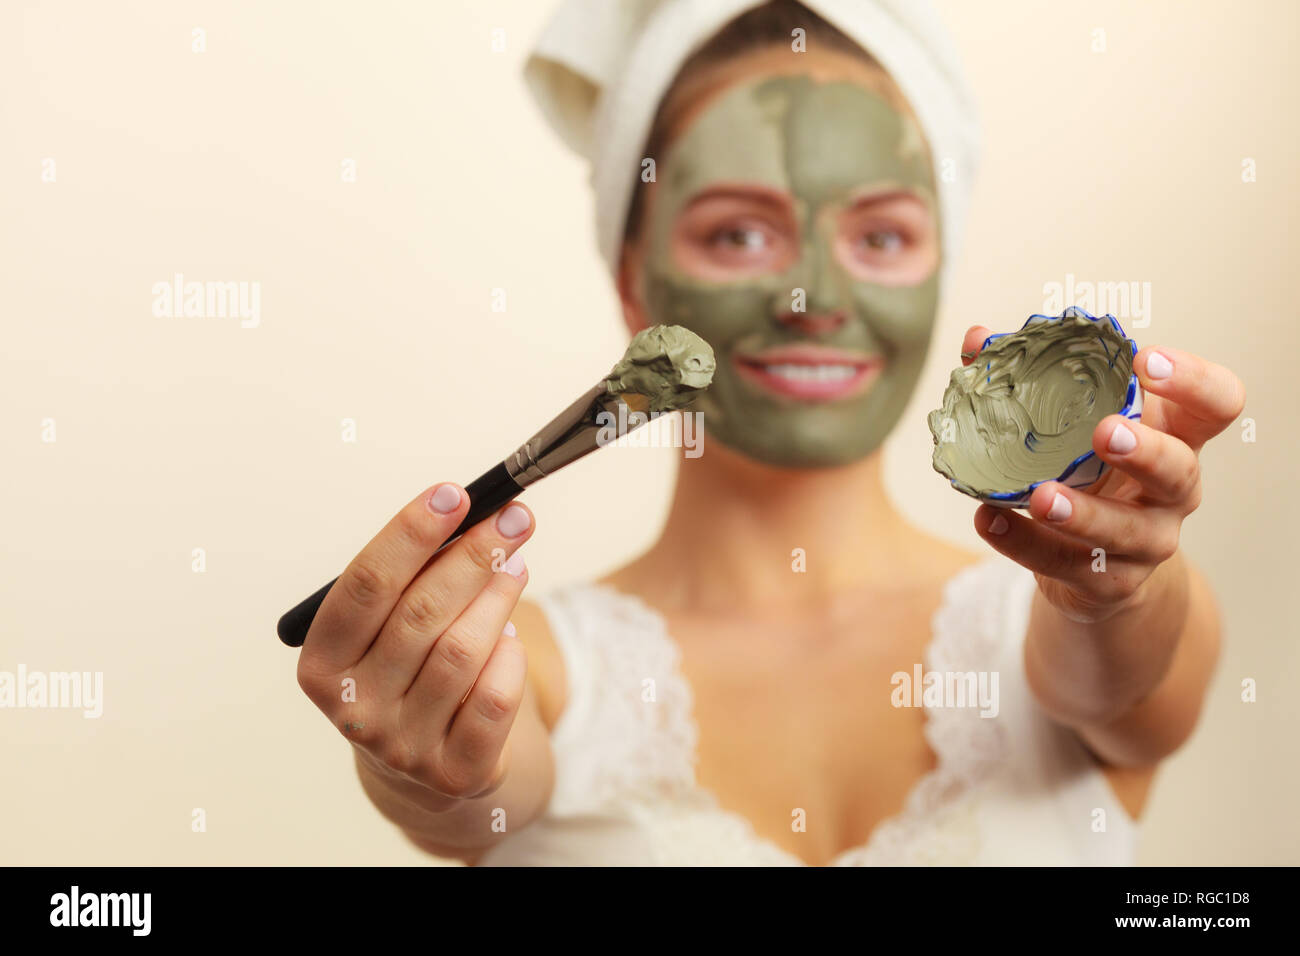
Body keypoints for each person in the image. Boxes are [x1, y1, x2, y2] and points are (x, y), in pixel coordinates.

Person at [294, 0, 1245, 865]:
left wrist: (1109, 599)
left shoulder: (1061, 636)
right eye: (739, 235)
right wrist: (422, 767)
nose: (815, 299)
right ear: (634, 279)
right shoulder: (531, 667)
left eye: (880, 237)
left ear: (938, 267)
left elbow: (1122, 686)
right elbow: (473, 795)